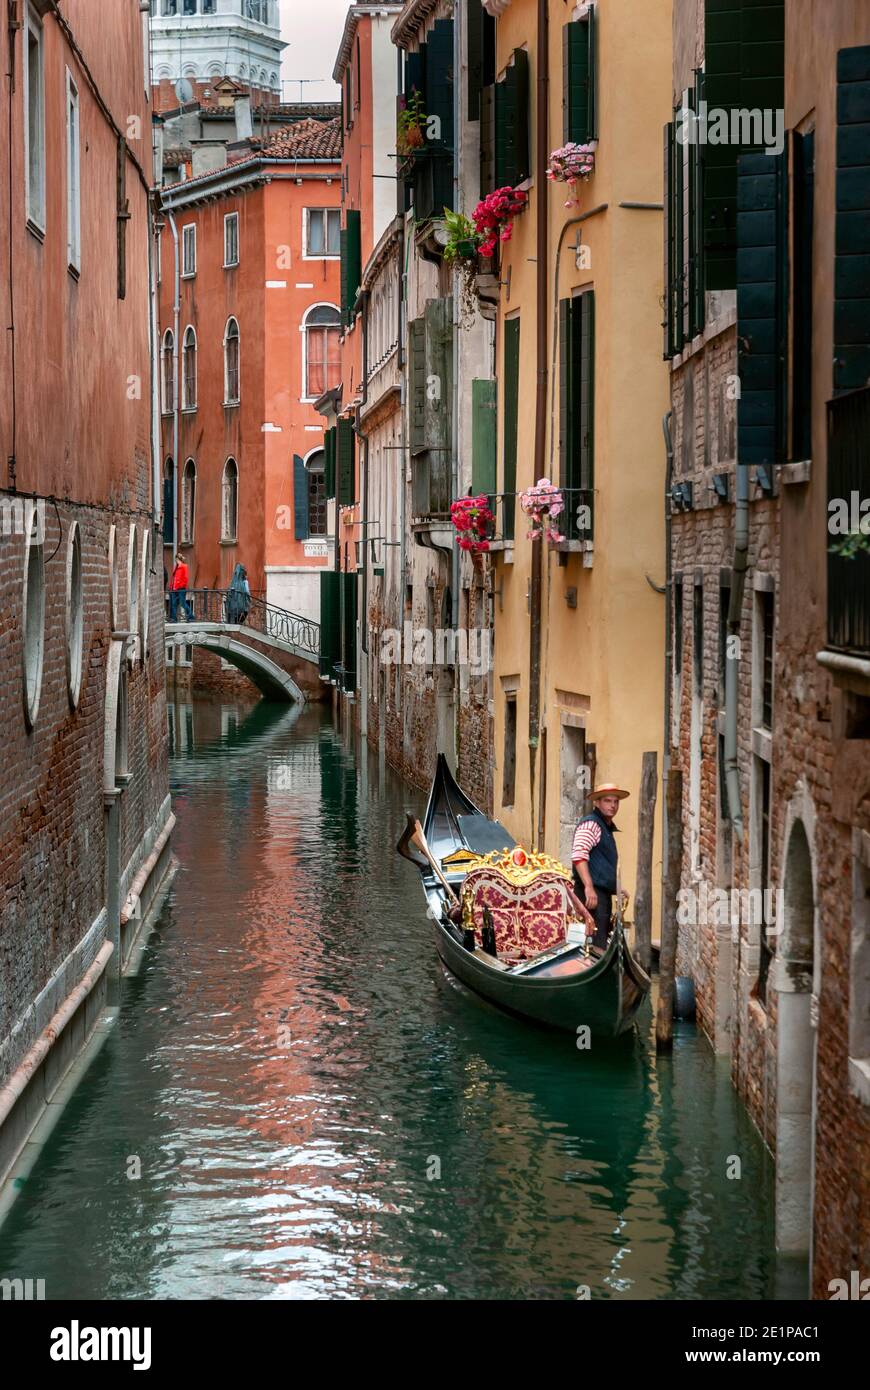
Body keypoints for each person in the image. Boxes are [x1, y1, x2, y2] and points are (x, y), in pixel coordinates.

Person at [572, 783, 630, 950]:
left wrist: (616, 888)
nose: (612, 805)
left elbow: (600, 864)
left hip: (600, 894)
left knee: (600, 940)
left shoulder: (605, 827)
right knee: (594, 944)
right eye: (607, 801)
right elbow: (579, 855)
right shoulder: (591, 824)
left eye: (616, 801)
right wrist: (589, 887)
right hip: (590, 895)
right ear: (597, 803)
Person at [169, 553, 191, 621]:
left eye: (176, 559)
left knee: (183, 603)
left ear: (177, 559)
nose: (175, 561)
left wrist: (181, 585)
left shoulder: (184, 566)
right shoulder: (176, 567)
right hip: (174, 588)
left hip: (181, 588)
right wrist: (171, 586)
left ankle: (191, 617)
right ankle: (174, 619)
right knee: (174, 604)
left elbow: (185, 578)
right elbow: (174, 578)